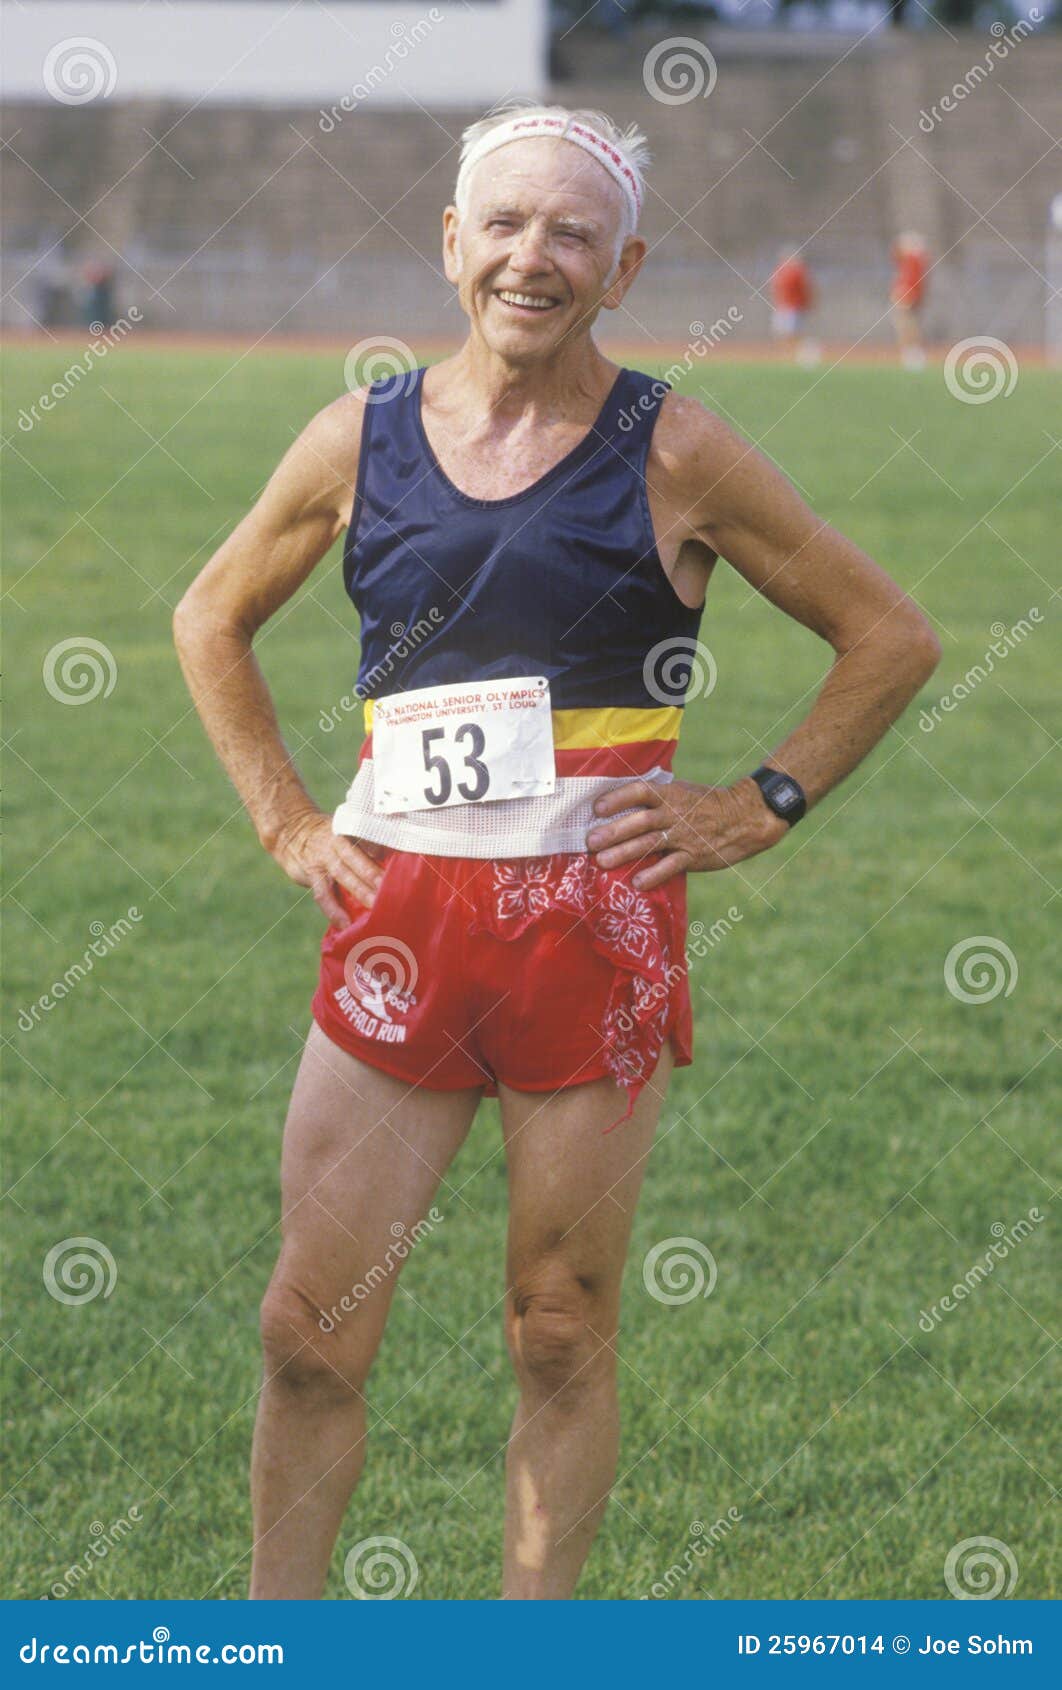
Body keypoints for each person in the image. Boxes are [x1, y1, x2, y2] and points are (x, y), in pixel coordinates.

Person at [173, 102, 941, 1600]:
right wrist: (283, 815)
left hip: (592, 942)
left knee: (560, 1324)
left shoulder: (678, 449)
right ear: (451, 242)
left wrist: (755, 804)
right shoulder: (359, 437)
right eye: (506, 224)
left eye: (573, 234)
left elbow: (890, 634)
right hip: (398, 928)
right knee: (307, 1329)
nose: (534, 256)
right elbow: (211, 614)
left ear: (623, 267)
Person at [769, 247, 817, 364]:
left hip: (793, 307)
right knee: (783, 334)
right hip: (784, 307)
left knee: (792, 334)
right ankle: (789, 355)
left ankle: (802, 354)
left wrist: (805, 304)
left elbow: (804, 290)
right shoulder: (781, 271)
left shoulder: (796, 272)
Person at [890, 231, 929, 369]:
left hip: (908, 296)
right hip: (910, 295)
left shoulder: (913, 260)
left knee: (907, 325)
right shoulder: (914, 260)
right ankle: (911, 352)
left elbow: (911, 280)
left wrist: (907, 295)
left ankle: (912, 353)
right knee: (909, 325)